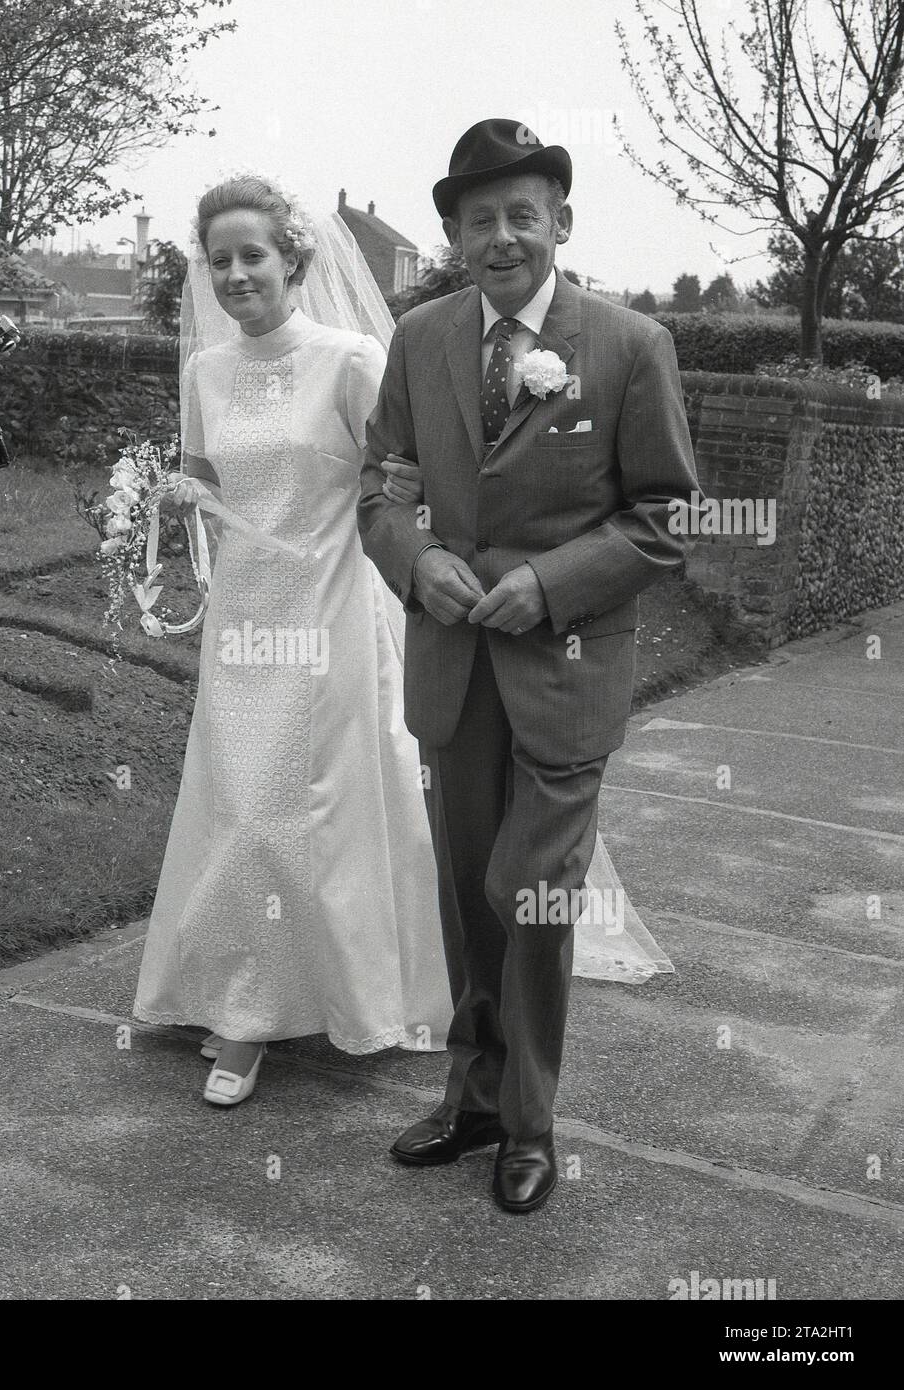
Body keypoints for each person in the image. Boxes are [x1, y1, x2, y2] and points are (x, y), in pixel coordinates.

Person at [358, 119, 701, 1213]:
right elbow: (381, 487)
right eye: (478, 220)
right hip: (454, 673)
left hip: (563, 675)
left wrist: (549, 585)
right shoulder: (417, 341)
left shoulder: (628, 346)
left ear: (560, 220)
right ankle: (472, 1099)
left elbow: (661, 518)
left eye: (521, 214)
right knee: (468, 896)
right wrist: (417, 562)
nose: (501, 236)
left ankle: (530, 1124)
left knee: (531, 894)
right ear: (453, 234)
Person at [133, 175, 447, 1105]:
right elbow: (201, 481)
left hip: (330, 611)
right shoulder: (204, 373)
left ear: (295, 260)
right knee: (236, 805)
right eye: (219, 259)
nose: (235, 275)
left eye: (252, 256)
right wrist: (163, 511)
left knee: (301, 808)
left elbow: (401, 477)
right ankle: (243, 985)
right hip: (242, 621)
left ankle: (255, 1020)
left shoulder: (351, 360)